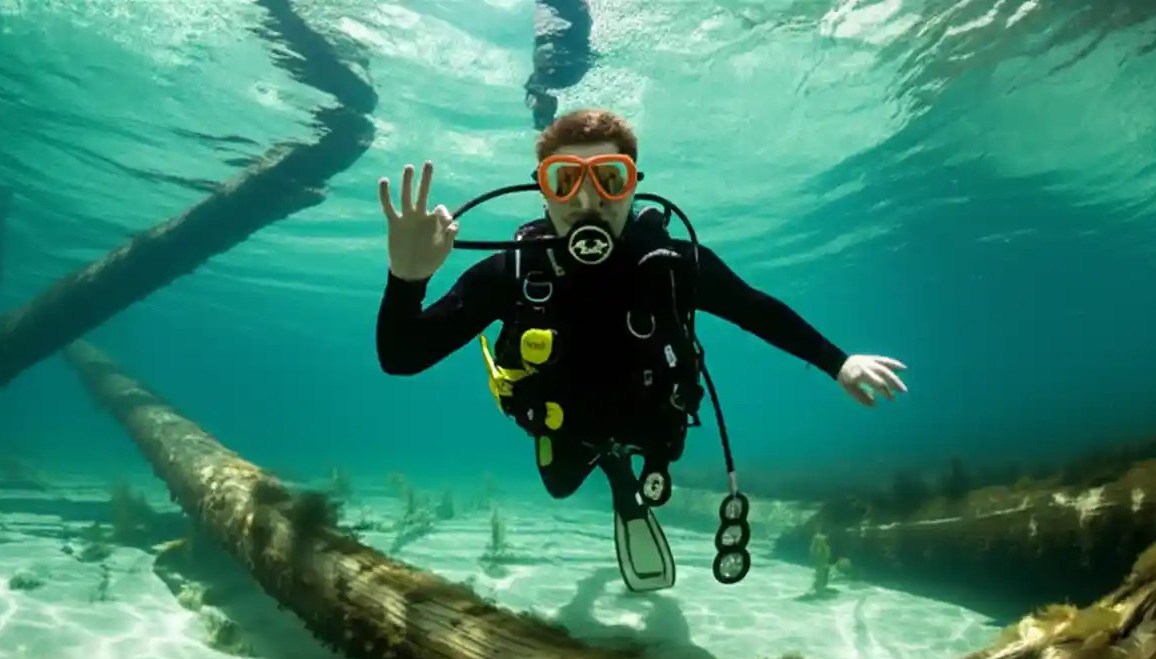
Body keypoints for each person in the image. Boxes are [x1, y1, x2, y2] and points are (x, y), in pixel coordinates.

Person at [375, 109, 907, 592]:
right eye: (566, 181)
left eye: (610, 178)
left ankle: (625, 479)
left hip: (649, 420)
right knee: (560, 486)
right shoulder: (513, 272)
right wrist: (406, 279)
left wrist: (839, 361)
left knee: (656, 461)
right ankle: (615, 477)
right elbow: (402, 357)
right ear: (544, 194)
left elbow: (754, 308)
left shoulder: (671, 264)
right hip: (563, 425)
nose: (589, 199)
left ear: (633, 186)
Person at [524, 0, 594, 130]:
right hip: (551, 27)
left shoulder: (559, 81)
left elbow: (586, 58)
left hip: (563, 29)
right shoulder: (540, 83)